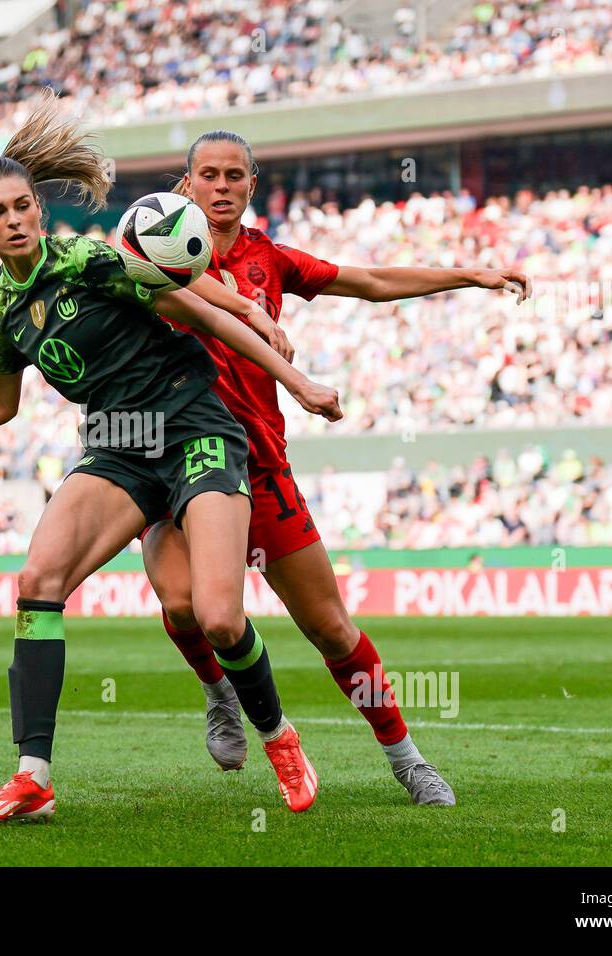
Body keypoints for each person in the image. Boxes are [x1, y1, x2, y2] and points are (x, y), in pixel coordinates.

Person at [0, 94, 343, 821]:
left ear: (39, 211)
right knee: (37, 581)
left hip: (193, 428)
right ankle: (33, 778)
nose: (15, 220)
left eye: (24, 206)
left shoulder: (89, 260)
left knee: (216, 617)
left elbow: (196, 308)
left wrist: (294, 377)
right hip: (118, 446)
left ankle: (277, 733)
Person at [150, 129, 532, 806]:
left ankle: (407, 759)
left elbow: (370, 280)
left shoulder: (270, 258)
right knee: (186, 604)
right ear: (186, 183)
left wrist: (468, 274)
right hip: (170, 460)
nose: (221, 186)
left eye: (234, 175)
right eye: (207, 174)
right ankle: (219, 695)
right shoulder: (149, 250)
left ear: (251, 185)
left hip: (258, 465)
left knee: (330, 627)